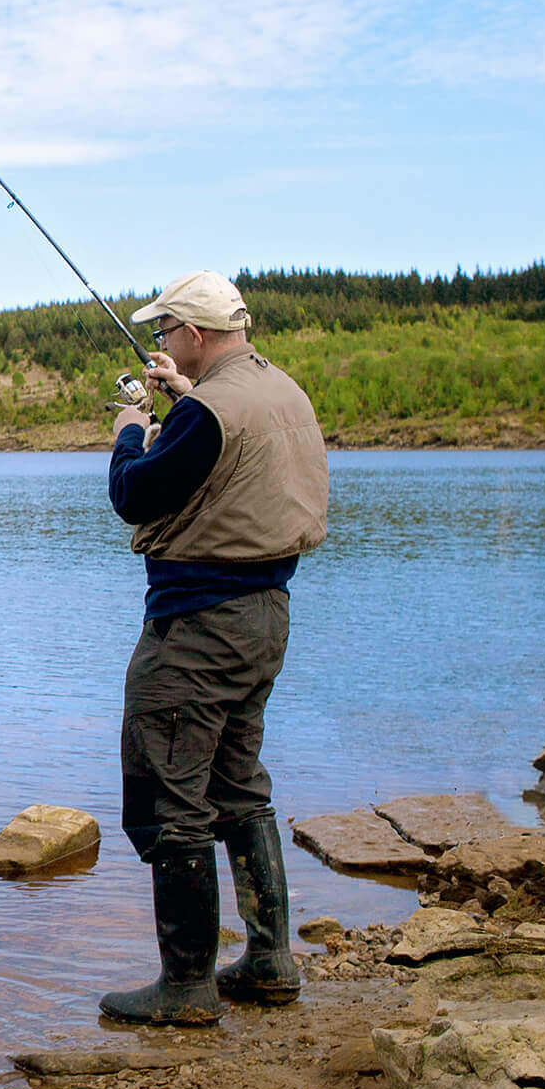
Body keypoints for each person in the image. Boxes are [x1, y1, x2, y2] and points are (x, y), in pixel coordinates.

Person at [99, 270, 329, 1025]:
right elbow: (228, 458)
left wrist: (132, 426)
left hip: (198, 626)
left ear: (194, 333)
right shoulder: (281, 391)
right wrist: (182, 397)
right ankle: (268, 957)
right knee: (238, 780)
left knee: (175, 793)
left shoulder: (208, 412)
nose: (161, 344)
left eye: (166, 333)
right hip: (266, 615)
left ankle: (186, 986)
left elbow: (136, 492)